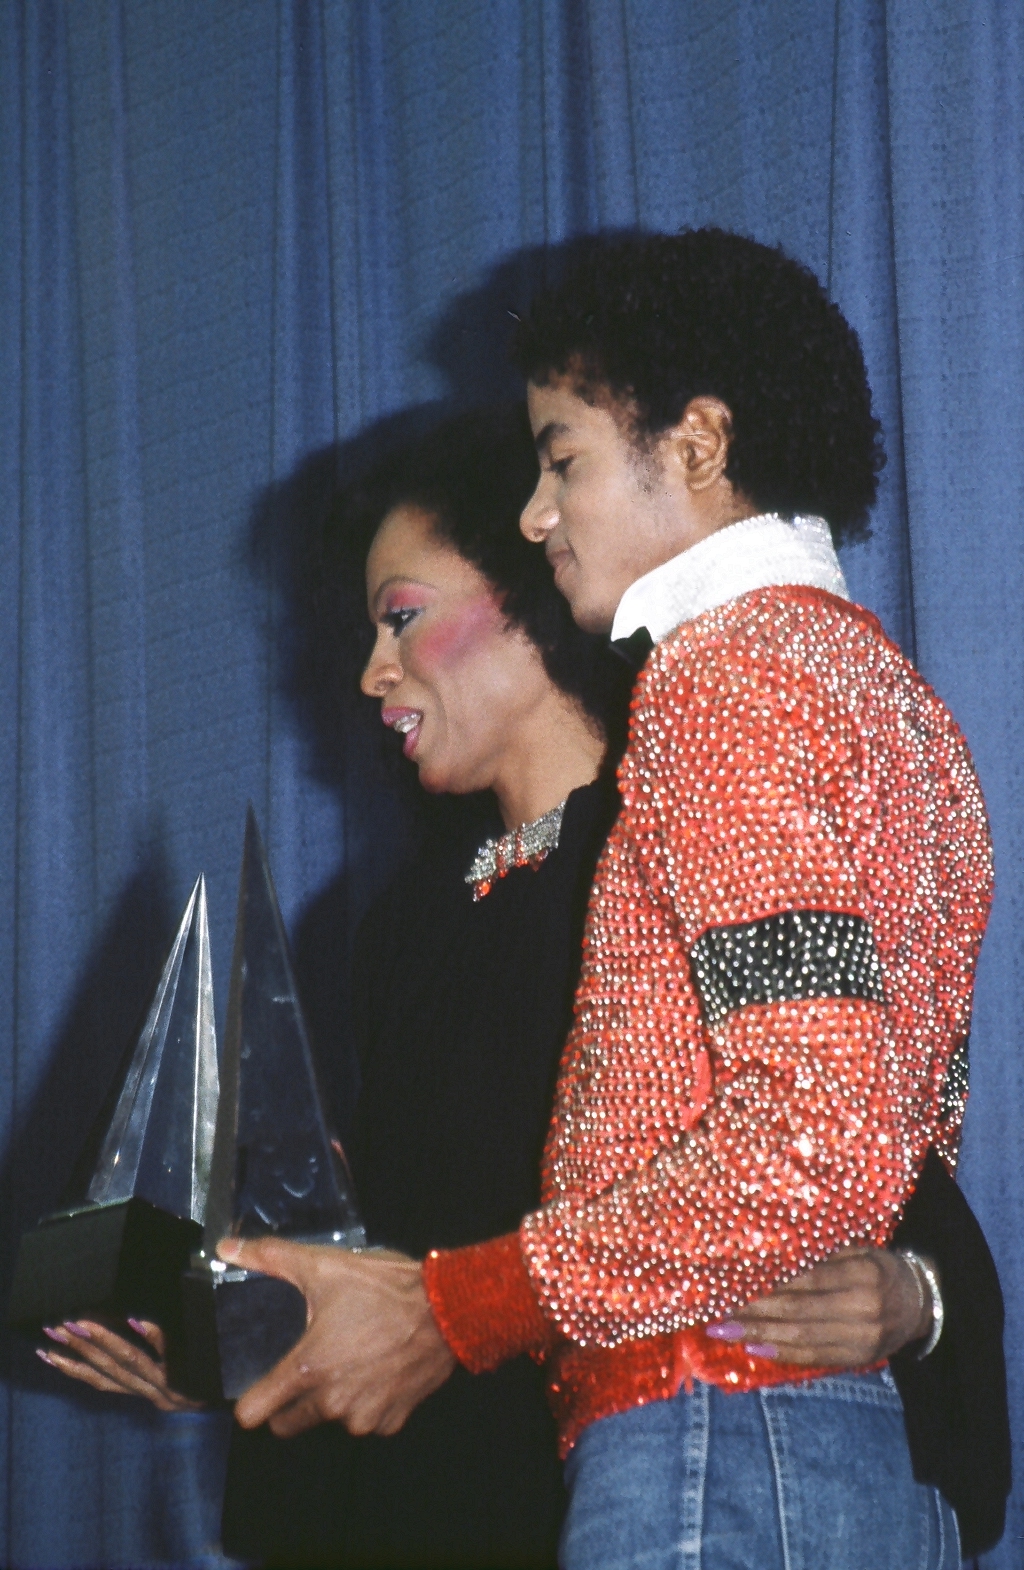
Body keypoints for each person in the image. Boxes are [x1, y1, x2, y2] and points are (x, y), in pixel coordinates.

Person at [38, 401, 993, 1566]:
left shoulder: (681, 829)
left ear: (533, 589)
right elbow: (401, 1269)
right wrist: (244, 1331)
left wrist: (918, 1295)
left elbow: (854, 1140)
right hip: (434, 1508)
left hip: (653, 1480)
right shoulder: (395, 928)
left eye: (402, 619)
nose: (369, 672)